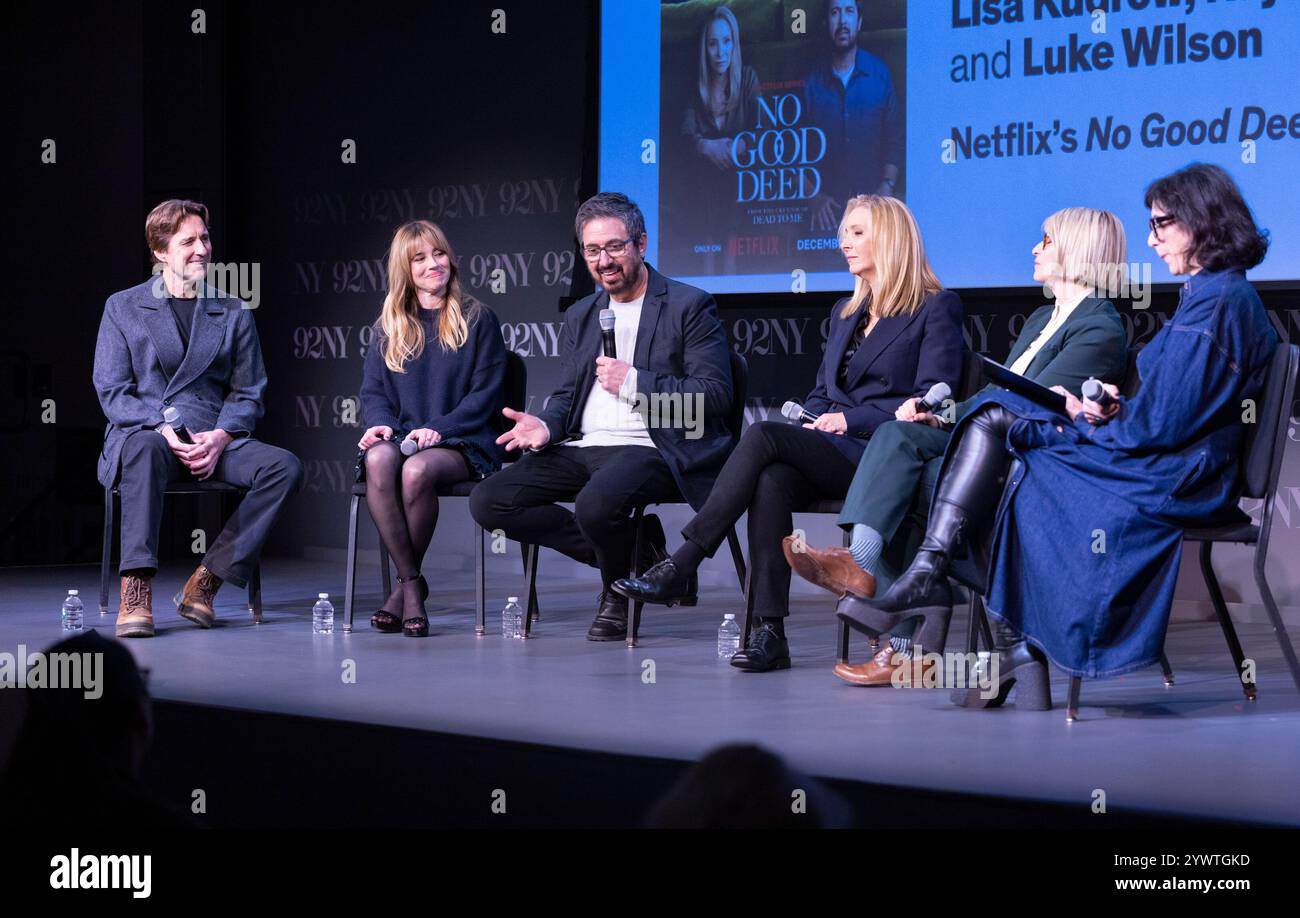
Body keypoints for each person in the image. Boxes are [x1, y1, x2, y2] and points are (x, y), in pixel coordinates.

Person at [854, 163, 1277, 710]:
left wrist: (1090, 419)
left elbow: (1166, 424)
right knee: (1003, 435)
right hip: (1167, 461)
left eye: (1162, 224)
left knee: (1003, 438)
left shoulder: (1217, 304)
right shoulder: (1211, 298)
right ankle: (982, 621)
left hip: (1172, 477)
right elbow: (1175, 407)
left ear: (1203, 222)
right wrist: (1114, 406)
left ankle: (964, 606)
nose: (1151, 239)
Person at [613, 195, 963, 672]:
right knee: (770, 476)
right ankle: (768, 631)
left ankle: (684, 560)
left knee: (762, 439)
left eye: (857, 232)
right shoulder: (846, 311)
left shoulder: (935, 307)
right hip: (836, 449)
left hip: (885, 457)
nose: (844, 242)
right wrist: (814, 415)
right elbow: (824, 392)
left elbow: (928, 402)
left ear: (892, 238)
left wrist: (849, 420)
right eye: (842, 232)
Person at [791, 207, 1130, 686]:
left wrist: (948, 415)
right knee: (899, 442)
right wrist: (937, 413)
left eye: (1046, 241)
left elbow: (1030, 406)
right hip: (986, 440)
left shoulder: (1099, 327)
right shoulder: (1040, 319)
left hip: (1025, 458)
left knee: (903, 464)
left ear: (1080, 250)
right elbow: (995, 398)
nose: (1035, 248)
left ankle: (868, 579)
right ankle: (901, 638)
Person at [469, 192, 734, 642]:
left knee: (596, 504)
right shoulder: (582, 314)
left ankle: (615, 591)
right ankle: (637, 557)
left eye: (614, 246)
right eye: (592, 250)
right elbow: (568, 393)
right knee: (490, 501)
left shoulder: (689, 305)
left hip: (655, 447)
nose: (603, 260)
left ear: (641, 244)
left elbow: (714, 398)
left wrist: (634, 383)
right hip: (584, 446)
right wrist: (547, 425)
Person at [93, 199, 303, 639]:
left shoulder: (230, 309)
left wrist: (222, 436)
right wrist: (162, 427)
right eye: (187, 241)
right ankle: (136, 587)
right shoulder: (123, 306)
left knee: (283, 466)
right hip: (146, 436)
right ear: (160, 250)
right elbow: (113, 391)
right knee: (146, 448)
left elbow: (249, 391)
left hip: (210, 437)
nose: (201, 249)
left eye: (205, 238)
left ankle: (206, 580)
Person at [357, 220, 506, 637]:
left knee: (417, 470)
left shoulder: (478, 318)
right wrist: (381, 427)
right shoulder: (387, 326)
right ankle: (412, 584)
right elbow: (373, 394)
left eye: (438, 253)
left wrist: (438, 429)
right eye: (419, 258)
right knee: (380, 459)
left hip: (465, 438)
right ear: (405, 270)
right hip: (405, 435)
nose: (433, 264)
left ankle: (404, 593)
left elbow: (484, 397)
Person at [804, 0, 903, 233]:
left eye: (849, 12)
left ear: (859, 21)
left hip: (874, 214)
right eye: (835, 13)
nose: (842, 21)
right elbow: (787, 151)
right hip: (825, 215)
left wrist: (886, 187)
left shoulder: (879, 74)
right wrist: (812, 196)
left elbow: (895, 141)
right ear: (825, 22)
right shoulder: (809, 82)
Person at [679, 5, 761, 274]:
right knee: (701, 171)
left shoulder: (748, 78)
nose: (720, 52)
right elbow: (686, 135)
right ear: (705, 47)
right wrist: (706, 146)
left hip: (738, 179)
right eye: (713, 43)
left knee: (732, 179)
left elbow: (761, 130)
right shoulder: (693, 85)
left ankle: (728, 265)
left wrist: (738, 146)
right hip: (702, 182)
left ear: (734, 43)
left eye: (726, 42)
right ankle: (707, 265)